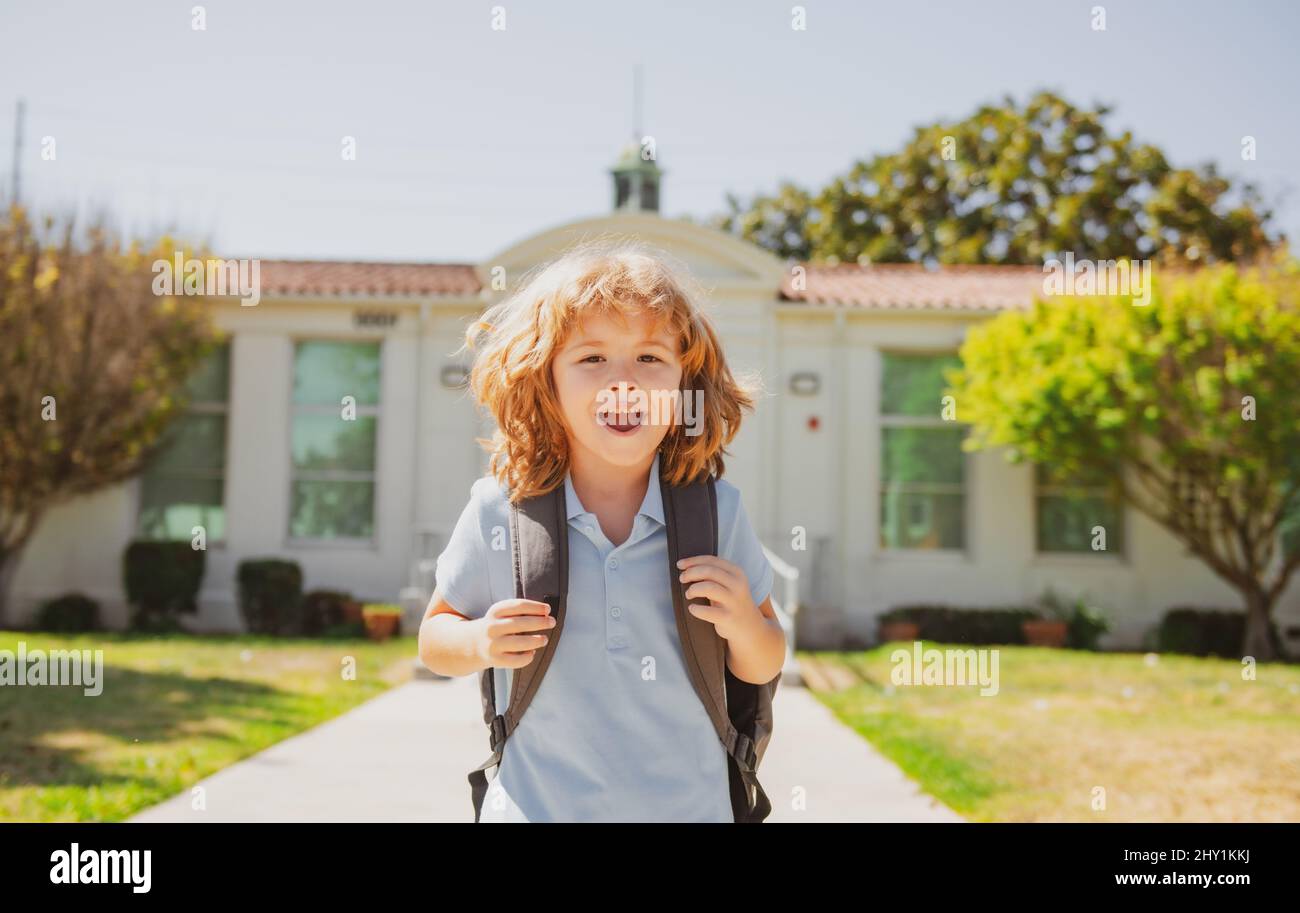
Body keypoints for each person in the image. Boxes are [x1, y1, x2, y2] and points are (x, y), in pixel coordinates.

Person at [417, 240, 785, 822]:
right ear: (547, 383)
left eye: (649, 359)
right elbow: (434, 639)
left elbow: (764, 662)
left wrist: (742, 621)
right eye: (591, 359)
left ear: (685, 386)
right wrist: (481, 641)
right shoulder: (499, 511)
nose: (623, 382)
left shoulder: (716, 512)